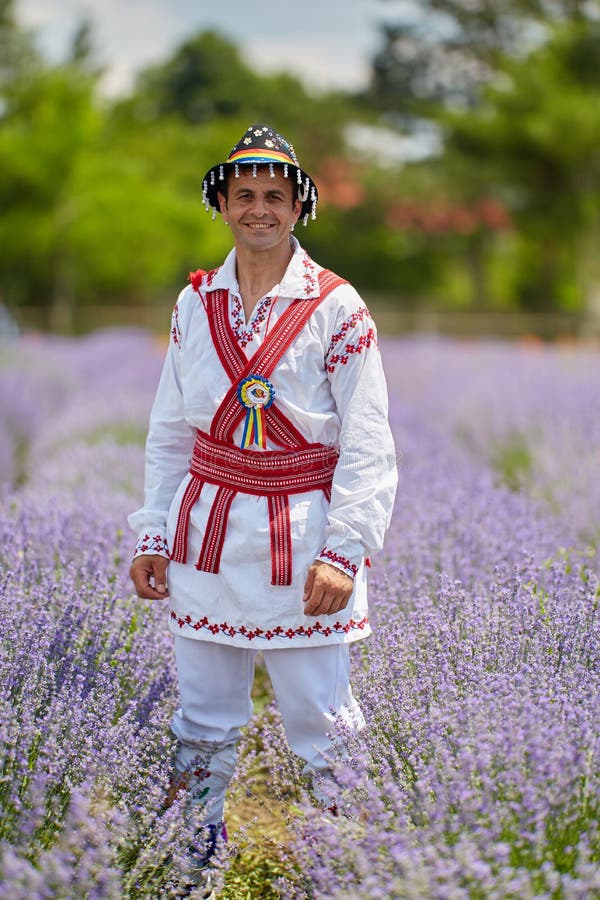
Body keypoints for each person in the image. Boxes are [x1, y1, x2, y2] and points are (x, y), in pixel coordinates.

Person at [128, 124, 397, 889]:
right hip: (204, 539)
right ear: (220, 204)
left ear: (299, 208)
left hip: (303, 541)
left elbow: (370, 438)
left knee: (323, 726)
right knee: (203, 723)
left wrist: (345, 550)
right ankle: (189, 872)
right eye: (243, 195)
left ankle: (351, 875)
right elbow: (169, 431)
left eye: (274, 197)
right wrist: (153, 529)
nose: (258, 210)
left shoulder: (339, 309)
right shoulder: (193, 304)